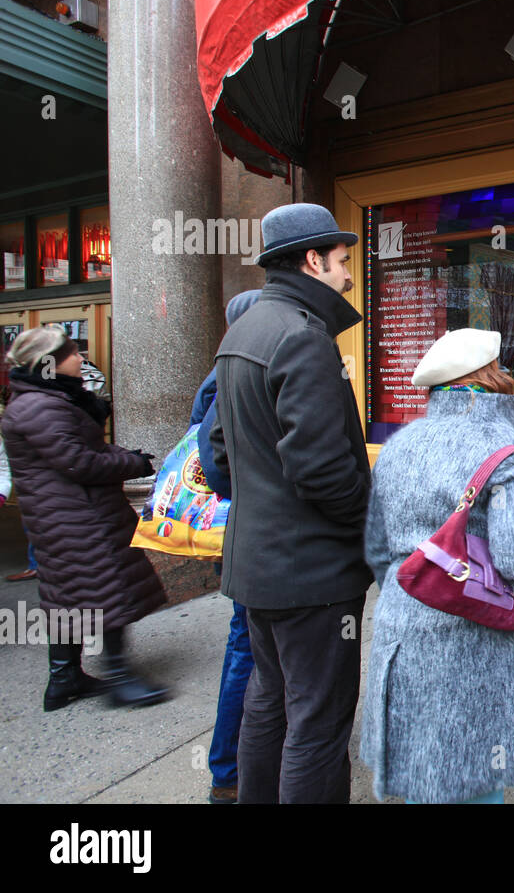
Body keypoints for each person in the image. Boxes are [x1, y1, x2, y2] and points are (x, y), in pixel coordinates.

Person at [360, 328, 514, 804]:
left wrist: (410, 588)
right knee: (473, 775)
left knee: (425, 772)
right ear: (492, 377)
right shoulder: (510, 452)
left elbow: (376, 545)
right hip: (477, 632)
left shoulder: (397, 447)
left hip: (404, 623)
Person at [209, 204, 372, 804]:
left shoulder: (244, 333)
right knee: (319, 723)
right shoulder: (302, 337)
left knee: (269, 704)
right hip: (312, 578)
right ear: (313, 259)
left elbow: (221, 451)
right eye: (343, 261)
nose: (348, 274)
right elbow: (325, 472)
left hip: (257, 568)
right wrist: (367, 527)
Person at [0, 326, 167, 710]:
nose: (80, 358)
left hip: (67, 516)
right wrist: (132, 462)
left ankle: (64, 677)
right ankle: (120, 677)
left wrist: (121, 454)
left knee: (69, 595)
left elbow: (81, 449)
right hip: (78, 518)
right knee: (108, 591)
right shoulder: (41, 406)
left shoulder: (45, 400)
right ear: (49, 364)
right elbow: (79, 462)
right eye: (71, 352)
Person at [191, 290, 260, 804]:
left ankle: (236, 763)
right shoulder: (228, 381)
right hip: (256, 534)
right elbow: (218, 467)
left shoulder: (221, 375)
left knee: (251, 643)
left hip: (250, 532)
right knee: (246, 644)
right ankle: (229, 768)